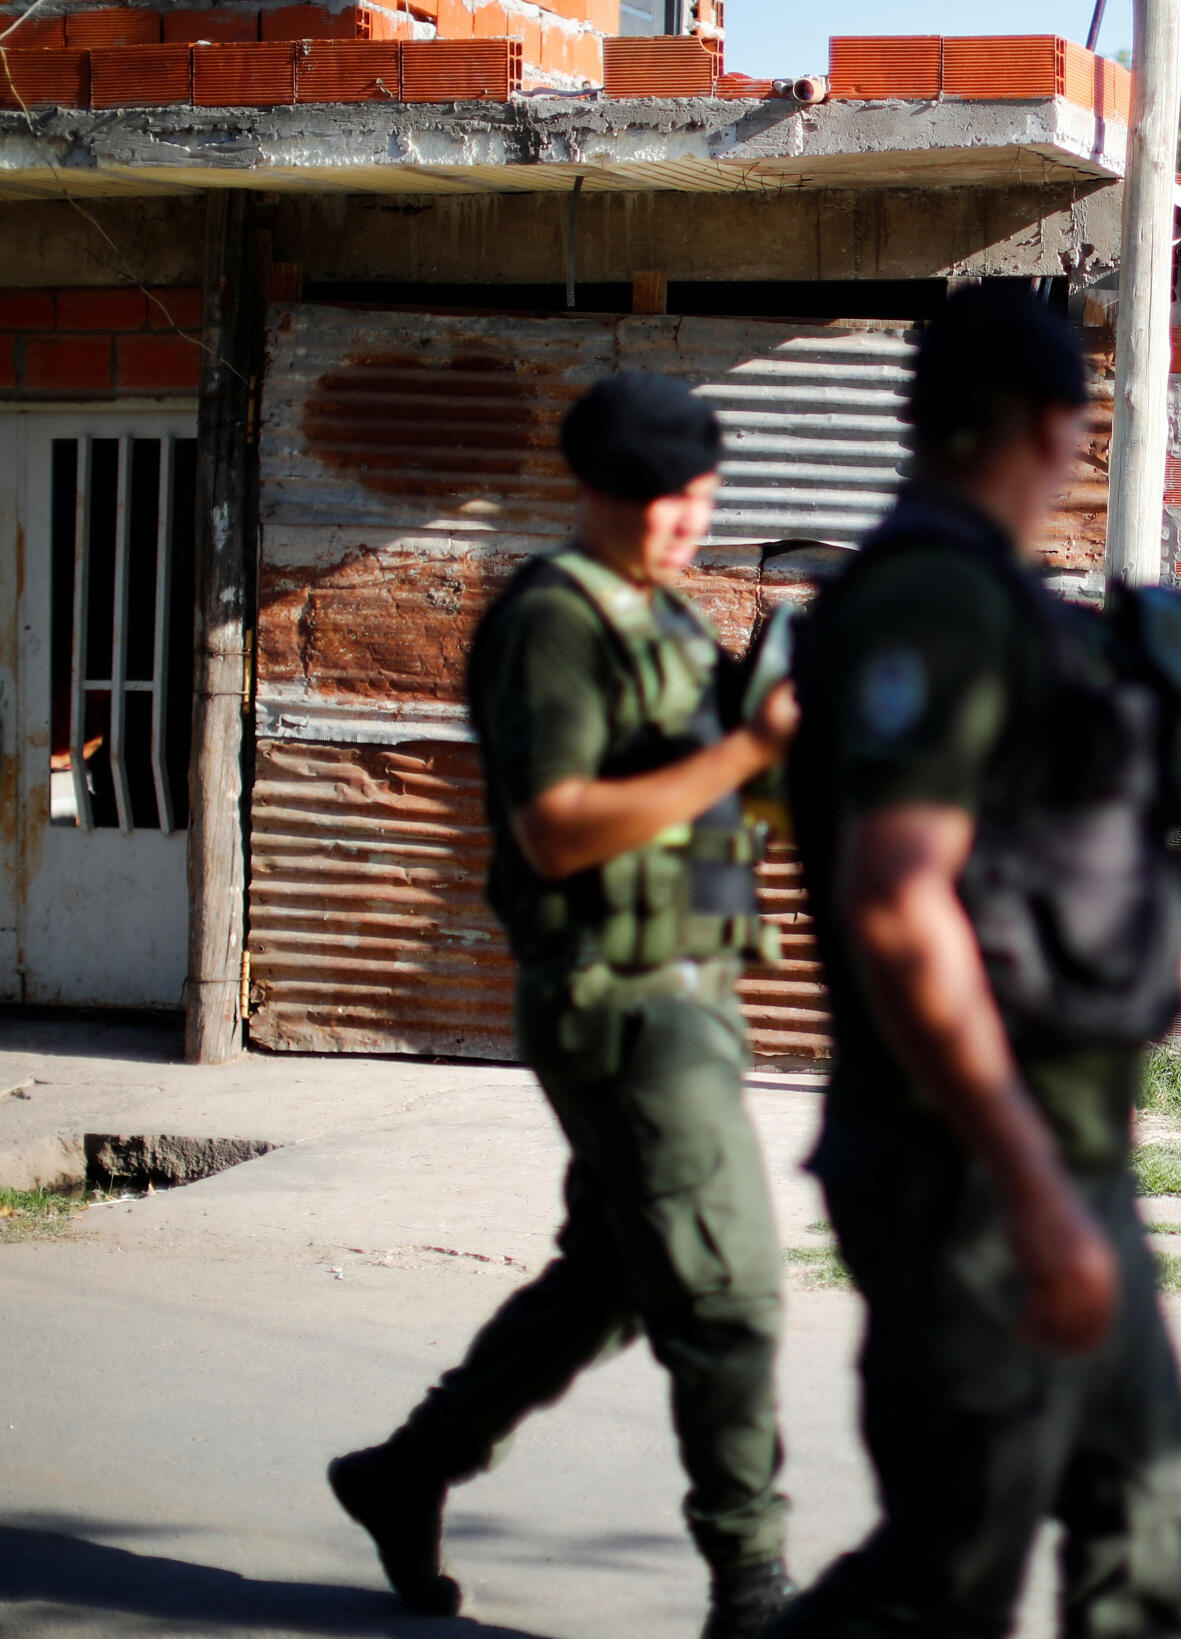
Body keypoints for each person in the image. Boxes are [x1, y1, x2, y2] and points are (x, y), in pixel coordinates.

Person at [766, 283, 1181, 1638]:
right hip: (972, 1177)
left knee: (1150, 1512)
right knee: (945, 1579)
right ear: (1049, 425)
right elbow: (901, 902)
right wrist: (1033, 1188)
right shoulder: (932, 604)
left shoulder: (982, 600)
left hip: (1052, 1160)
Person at [328, 371, 799, 1639]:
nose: (682, 524)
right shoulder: (555, 619)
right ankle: (751, 1587)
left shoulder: (673, 624)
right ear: (595, 492)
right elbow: (552, 827)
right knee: (725, 1288)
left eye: (698, 500)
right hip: (615, 996)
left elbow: (715, 807)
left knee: (612, 1279)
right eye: (657, 502)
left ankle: (408, 1469)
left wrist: (789, 754)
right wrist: (742, 754)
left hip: (687, 983)